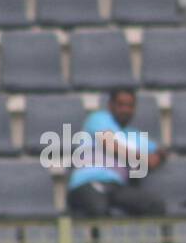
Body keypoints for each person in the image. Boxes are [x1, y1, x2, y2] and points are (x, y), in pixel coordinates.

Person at [66, 88, 168, 217]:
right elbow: (110, 145)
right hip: (87, 183)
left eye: (130, 106)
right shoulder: (98, 119)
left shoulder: (135, 135)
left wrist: (158, 156)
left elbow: (159, 152)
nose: (125, 110)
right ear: (110, 105)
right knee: (99, 210)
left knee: (155, 205)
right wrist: (142, 159)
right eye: (121, 105)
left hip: (116, 187)